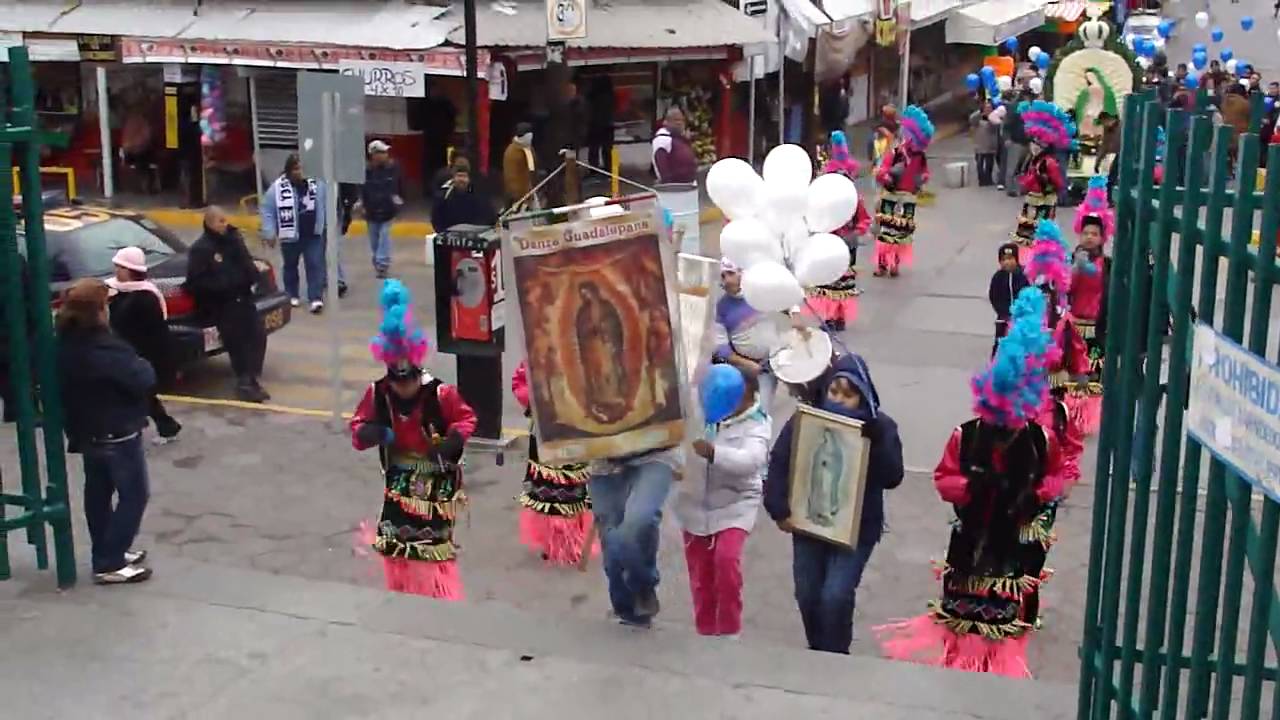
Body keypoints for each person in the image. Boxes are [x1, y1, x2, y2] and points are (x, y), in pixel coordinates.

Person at [877, 287, 1066, 677]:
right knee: (962, 615)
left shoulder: (1041, 439)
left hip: (1014, 540)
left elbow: (1055, 477)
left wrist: (1034, 496)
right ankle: (960, 665)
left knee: (1005, 620)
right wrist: (972, 489)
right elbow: (944, 476)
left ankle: (998, 670)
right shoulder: (965, 435)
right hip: (970, 539)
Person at [764, 353, 904, 654]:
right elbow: (780, 461)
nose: (839, 399)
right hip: (808, 521)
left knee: (836, 595)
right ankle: (819, 649)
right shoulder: (806, 419)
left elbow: (893, 476)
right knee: (807, 593)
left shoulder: (881, 427)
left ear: (863, 396)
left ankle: (837, 653)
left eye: (848, 394)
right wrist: (778, 507)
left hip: (856, 528)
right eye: (834, 391)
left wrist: (877, 442)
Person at [350, 280, 476, 599]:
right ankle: (401, 591)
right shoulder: (378, 393)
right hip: (398, 481)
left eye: (408, 383)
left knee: (433, 549)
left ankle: (438, 594)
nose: (403, 389)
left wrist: (451, 442)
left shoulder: (440, 393)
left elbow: (467, 418)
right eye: (397, 384)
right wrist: (374, 433)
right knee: (396, 545)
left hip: (436, 481)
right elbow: (357, 429)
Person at [56, 279, 156, 585]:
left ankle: (106, 551)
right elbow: (142, 377)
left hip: (88, 428)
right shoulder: (102, 347)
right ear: (98, 310)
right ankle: (109, 561)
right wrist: (142, 364)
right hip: (116, 428)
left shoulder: (67, 341)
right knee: (134, 495)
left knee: (98, 493)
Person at [675, 369, 769, 637]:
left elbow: (750, 461)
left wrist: (715, 453)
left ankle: (729, 630)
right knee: (701, 575)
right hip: (693, 505)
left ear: (749, 397)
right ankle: (705, 630)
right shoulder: (699, 407)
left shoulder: (757, 425)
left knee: (726, 561)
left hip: (735, 504)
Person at [588, 436, 684, 627]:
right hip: (602, 458)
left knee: (637, 523)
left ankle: (643, 585)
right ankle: (626, 608)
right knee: (611, 536)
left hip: (655, 451)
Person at [511, 360, 595, 566]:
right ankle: (551, 541)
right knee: (547, 488)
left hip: (575, 426)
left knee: (572, 488)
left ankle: (572, 540)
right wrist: (536, 401)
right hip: (546, 428)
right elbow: (520, 381)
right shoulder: (536, 352)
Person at [184, 206, 269, 403]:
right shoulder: (202, 249)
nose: (225, 224)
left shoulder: (234, 241)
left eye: (225, 220)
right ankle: (244, 383)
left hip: (244, 298)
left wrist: (253, 278)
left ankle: (253, 378)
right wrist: (224, 286)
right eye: (220, 221)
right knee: (238, 343)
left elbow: (247, 264)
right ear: (210, 223)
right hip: (223, 305)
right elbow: (195, 283)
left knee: (257, 336)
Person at [105, 247, 181, 443]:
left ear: (131, 270)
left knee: (142, 395)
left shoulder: (145, 297)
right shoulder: (119, 291)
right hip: (127, 355)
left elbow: (150, 333)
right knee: (139, 395)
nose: (116, 271)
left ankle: (164, 427)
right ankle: (158, 426)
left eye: (120, 267)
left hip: (143, 355)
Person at [807, 131, 872, 330]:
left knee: (842, 283)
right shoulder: (824, 199)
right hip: (828, 243)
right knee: (827, 281)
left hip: (847, 245)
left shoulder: (854, 199)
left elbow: (864, 220)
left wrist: (855, 234)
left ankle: (840, 316)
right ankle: (829, 316)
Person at [1066, 176, 1112, 436]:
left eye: (1095, 234)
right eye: (1086, 233)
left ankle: (1088, 420)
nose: (1090, 237)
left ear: (1102, 237)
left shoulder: (1108, 265)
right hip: (1074, 326)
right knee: (1072, 375)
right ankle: (1071, 417)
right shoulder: (1072, 259)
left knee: (1094, 375)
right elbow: (1065, 289)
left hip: (1097, 327)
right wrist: (1074, 268)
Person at [260, 154, 329, 314]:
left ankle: (315, 298)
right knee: (290, 265)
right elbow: (267, 210)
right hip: (289, 236)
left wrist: (327, 224)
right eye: (296, 169)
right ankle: (292, 294)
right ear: (289, 170)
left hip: (312, 234)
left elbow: (327, 203)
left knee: (315, 265)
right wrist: (269, 232)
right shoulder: (277, 188)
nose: (300, 172)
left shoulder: (317, 184)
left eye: (302, 168)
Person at [713, 258, 779, 417]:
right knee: (745, 414)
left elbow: (790, 296)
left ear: (742, 273)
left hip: (774, 364)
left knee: (764, 412)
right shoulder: (720, 309)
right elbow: (722, 349)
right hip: (745, 371)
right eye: (723, 276)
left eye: (731, 274)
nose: (727, 280)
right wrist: (748, 364)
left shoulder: (762, 293)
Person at [873, 104, 933, 278]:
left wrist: (923, 178)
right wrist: (886, 177)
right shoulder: (897, 152)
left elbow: (925, 172)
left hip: (908, 198)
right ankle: (882, 265)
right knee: (886, 232)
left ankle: (895, 265)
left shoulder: (920, 156)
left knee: (901, 234)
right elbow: (882, 170)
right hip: (891, 195)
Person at [1012, 100, 1073, 265]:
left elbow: (1058, 182)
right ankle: (1028, 260)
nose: (1033, 147)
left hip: (1044, 201)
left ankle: (1042, 259)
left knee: (1041, 233)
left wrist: (1044, 183)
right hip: (1032, 199)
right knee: (1027, 233)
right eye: (1033, 143)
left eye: (1037, 144)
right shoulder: (1035, 160)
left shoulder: (1048, 162)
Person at [360, 139, 403, 279]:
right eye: (382, 152)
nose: (385, 155)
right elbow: (362, 189)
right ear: (374, 155)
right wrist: (362, 205)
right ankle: (378, 262)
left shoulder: (393, 168)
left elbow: (398, 185)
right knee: (374, 240)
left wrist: (398, 200)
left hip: (388, 210)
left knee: (385, 236)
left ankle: (382, 263)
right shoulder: (366, 171)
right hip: (371, 210)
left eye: (386, 152)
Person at [430, 158, 497, 232]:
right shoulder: (444, 196)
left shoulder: (479, 195)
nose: (461, 180)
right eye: (459, 176)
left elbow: (490, 219)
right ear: (453, 178)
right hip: (450, 233)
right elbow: (437, 220)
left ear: (469, 178)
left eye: (464, 176)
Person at [989, 242, 1030, 357]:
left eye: (1010, 258)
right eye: (1003, 259)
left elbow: (1029, 294)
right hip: (1004, 317)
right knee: (1000, 342)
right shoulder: (998, 277)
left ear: (1017, 259)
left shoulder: (1024, 275)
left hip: (1022, 318)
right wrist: (1003, 312)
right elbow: (994, 296)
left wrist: (1022, 311)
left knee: (1022, 344)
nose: (1007, 262)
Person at [652, 106, 698, 184]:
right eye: (676, 120)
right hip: (675, 187)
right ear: (666, 122)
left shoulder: (678, 137)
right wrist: (669, 185)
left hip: (689, 185)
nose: (679, 123)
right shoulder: (662, 140)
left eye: (682, 120)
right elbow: (662, 166)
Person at [502, 122, 538, 211]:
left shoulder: (523, 149)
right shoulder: (517, 152)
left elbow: (532, 169)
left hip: (525, 192)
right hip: (520, 196)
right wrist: (527, 194)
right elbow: (530, 171)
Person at [1000, 96, 1030, 195]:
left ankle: (1022, 187)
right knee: (1012, 167)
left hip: (1027, 142)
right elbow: (1006, 126)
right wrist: (1007, 138)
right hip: (1016, 141)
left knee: (1024, 168)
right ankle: (1010, 188)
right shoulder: (1014, 110)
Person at [586, 75, 616, 170]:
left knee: (594, 148)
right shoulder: (610, 95)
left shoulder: (591, 95)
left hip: (595, 125)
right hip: (607, 125)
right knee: (607, 149)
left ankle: (593, 168)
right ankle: (608, 168)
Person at [971, 100, 1001, 187]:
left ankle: (988, 179)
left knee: (989, 164)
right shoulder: (978, 119)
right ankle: (981, 180)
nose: (988, 109)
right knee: (980, 164)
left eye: (990, 108)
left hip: (991, 146)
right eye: (986, 108)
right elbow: (971, 119)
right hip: (980, 146)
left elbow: (997, 126)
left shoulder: (994, 119)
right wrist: (980, 112)